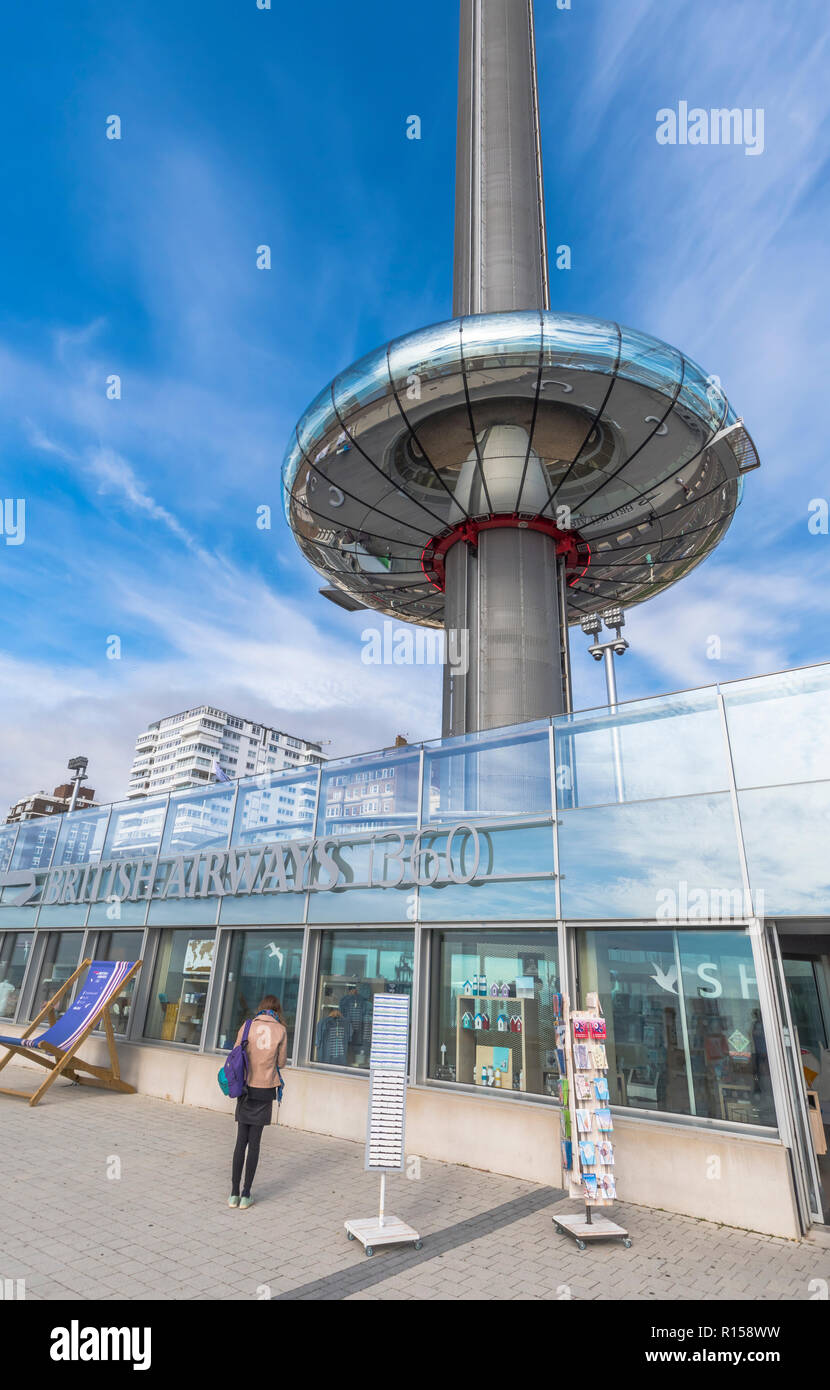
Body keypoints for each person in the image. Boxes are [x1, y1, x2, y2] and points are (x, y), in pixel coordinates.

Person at [228, 994, 287, 1210]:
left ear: (261, 1008)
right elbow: (281, 1062)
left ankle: (233, 1194)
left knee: (240, 1141)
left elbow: (235, 1052)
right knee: (255, 1143)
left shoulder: (247, 1025)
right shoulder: (280, 1030)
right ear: (277, 1009)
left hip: (245, 1088)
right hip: (265, 1090)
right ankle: (246, 1194)